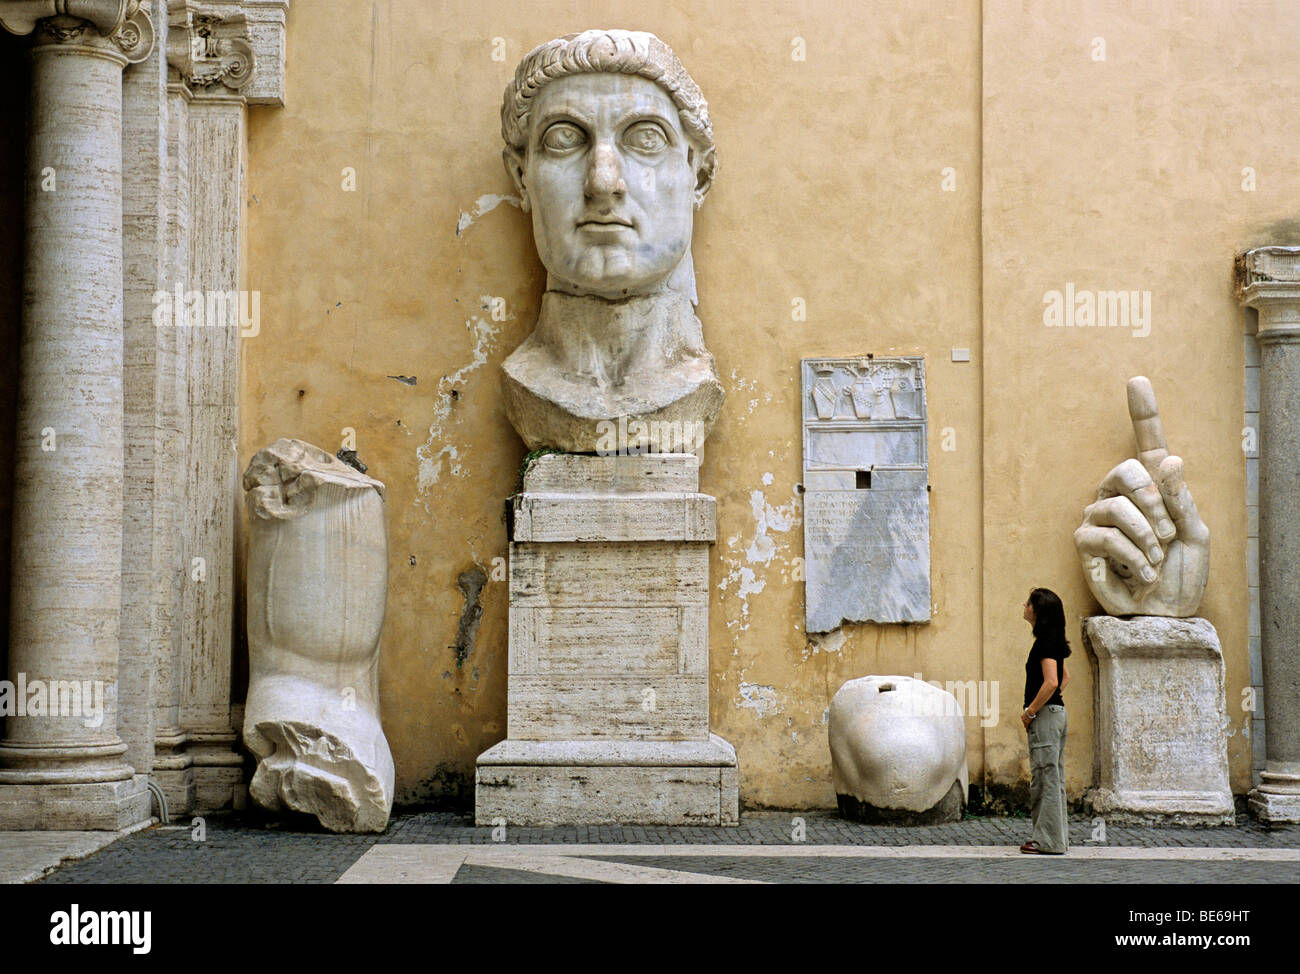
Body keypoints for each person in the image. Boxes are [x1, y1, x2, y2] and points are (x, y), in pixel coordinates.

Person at [1018, 587, 1071, 854]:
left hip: (1046, 718)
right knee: (1054, 778)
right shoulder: (1053, 639)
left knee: (1045, 778)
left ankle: (1047, 842)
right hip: (1056, 715)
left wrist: (1031, 712)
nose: (1024, 606)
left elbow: (1052, 682)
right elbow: (1065, 678)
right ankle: (1056, 839)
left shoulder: (1045, 643)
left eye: (1028, 603)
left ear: (1038, 611)